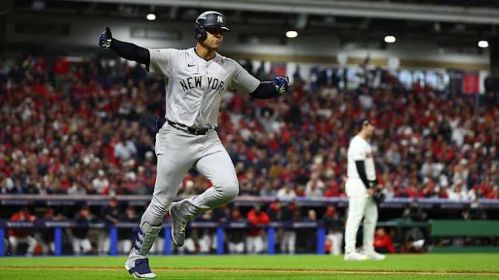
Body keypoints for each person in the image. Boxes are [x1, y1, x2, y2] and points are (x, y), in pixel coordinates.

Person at [99, 10, 289, 278]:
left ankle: (185, 210)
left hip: (208, 138)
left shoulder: (228, 66)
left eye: (222, 32)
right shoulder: (177, 58)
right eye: (215, 31)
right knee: (161, 200)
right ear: (200, 32)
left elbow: (258, 89)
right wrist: (113, 44)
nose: (220, 36)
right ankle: (137, 258)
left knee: (229, 188)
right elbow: (140, 53)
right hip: (175, 136)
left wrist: (278, 87)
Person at [344, 120, 385, 261]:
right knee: (355, 217)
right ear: (365, 126)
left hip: (367, 185)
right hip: (357, 183)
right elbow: (360, 165)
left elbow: (369, 168)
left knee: (371, 218)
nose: (373, 129)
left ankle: (368, 249)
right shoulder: (357, 143)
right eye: (372, 126)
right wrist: (368, 186)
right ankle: (349, 251)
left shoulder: (366, 144)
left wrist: (375, 185)